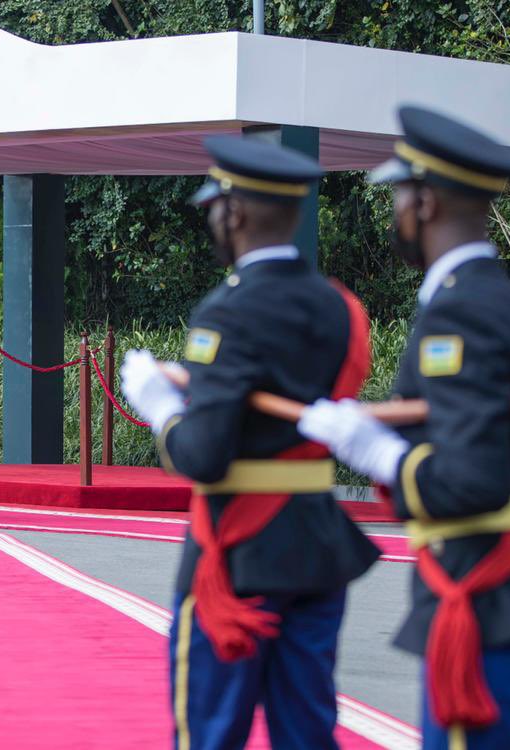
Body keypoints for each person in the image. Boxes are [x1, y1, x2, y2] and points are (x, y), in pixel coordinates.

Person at [298, 105, 510, 748]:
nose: (394, 212)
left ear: (426, 203)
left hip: (487, 607)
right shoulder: (507, 308)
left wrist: (376, 451)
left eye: (399, 196)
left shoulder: (460, 316)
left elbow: (475, 483)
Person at [120, 136, 380, 749]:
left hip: (239, 551)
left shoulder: (228, 312)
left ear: (234, 213)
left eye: (215, 208)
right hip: (314, 542)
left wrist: (161, 409)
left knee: (211, 733)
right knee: (307, 733)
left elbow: (205, 454)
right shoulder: (340, 306)